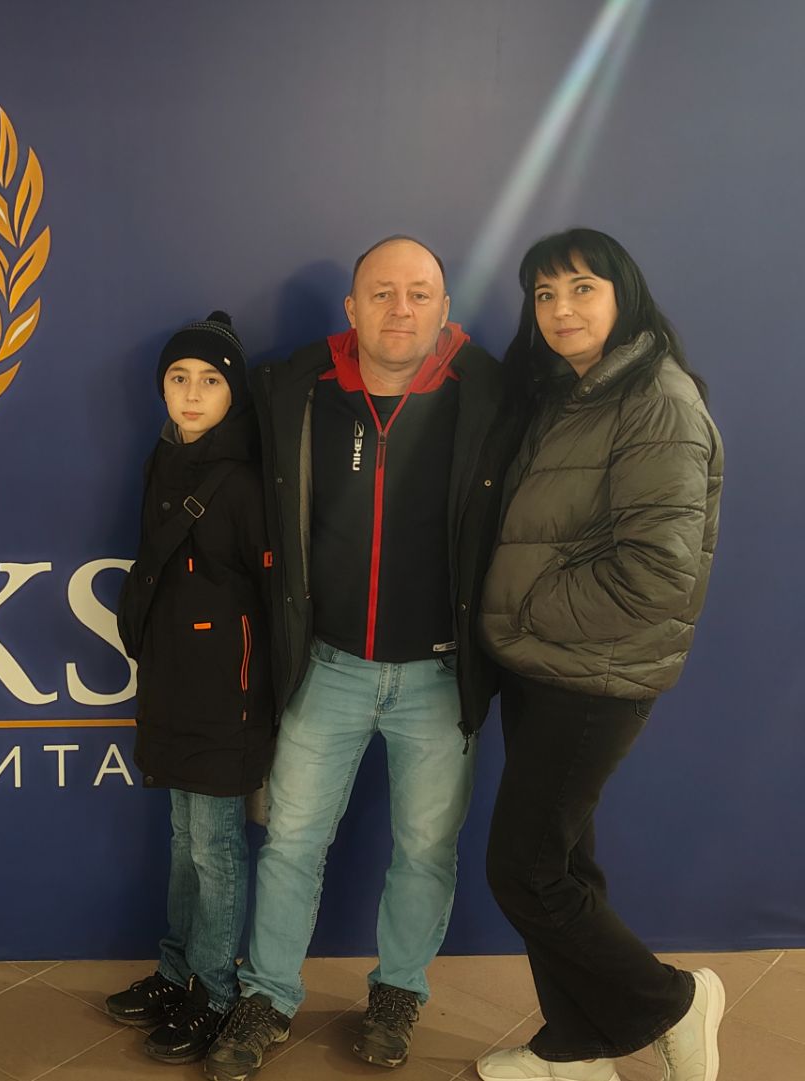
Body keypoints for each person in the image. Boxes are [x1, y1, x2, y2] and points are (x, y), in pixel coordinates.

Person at [204, 236, 522, 1080]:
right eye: (382, 293)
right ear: (352, 308)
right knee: (290, 841)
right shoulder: (297, 389)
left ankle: (398, 993)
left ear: (444, 307)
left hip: (441, 675)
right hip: (329, 666)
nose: (400, 309)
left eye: (419, 293)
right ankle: (268, 994)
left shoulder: (490, 394)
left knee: (426, 848)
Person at [473, 228, 725, 1081]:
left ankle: (672, 1001)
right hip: (543, 664)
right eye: (544, 294)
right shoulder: (571, 393)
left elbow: (655, 575)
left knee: (524, 869)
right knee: (566, 862)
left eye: (582, 288)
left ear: (624, 294)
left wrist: (522, 603)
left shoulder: (658, 401)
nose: (561, 309)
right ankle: (575, 1047)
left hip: (594, 674)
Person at [107, 311, 276, 1065]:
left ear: (233, 392)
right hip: (170, 681)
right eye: (179, 378)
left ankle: (215, 990)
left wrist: (259, 690)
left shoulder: (243, 478)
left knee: (215, 845)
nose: (193, 393)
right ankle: (176, 974)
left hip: (225, 693)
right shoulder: (163, 459)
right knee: (184, 841)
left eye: (210, 379)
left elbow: (273, 596)